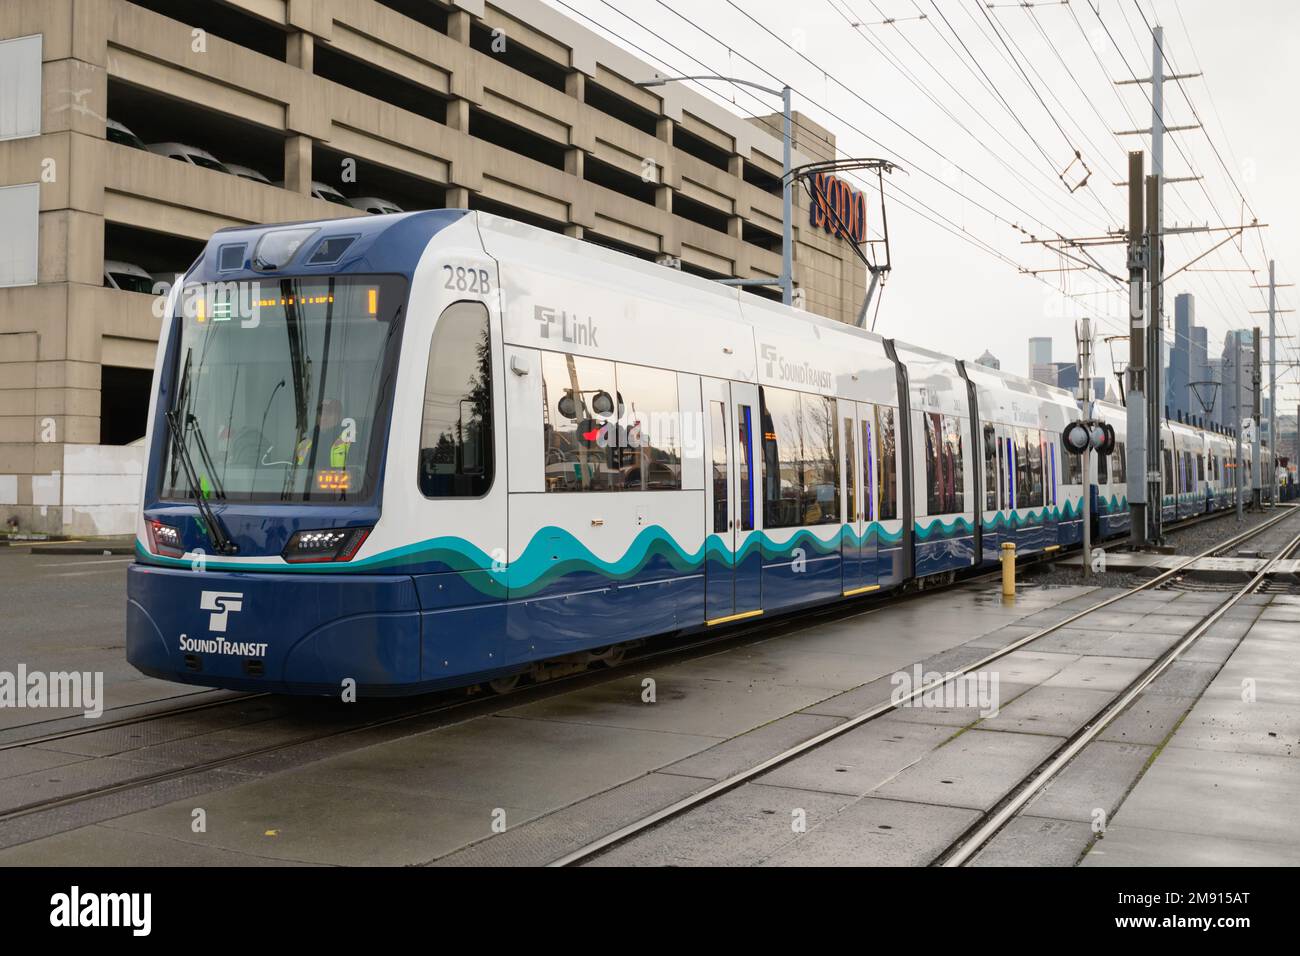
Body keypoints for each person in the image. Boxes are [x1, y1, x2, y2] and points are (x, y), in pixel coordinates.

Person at [296, 398, 354, 468]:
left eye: (329, 413)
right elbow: (293, 465)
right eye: (321, 413)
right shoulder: (308, 440)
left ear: (339, 417)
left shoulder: (348, 440)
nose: (323, 417)